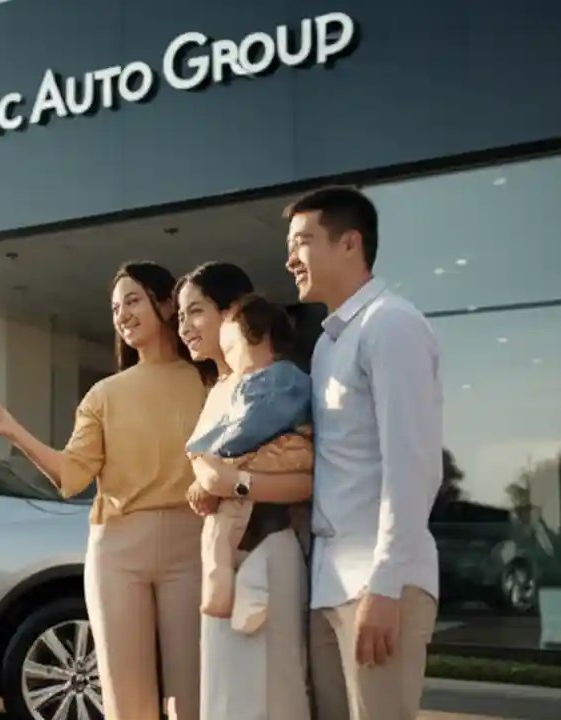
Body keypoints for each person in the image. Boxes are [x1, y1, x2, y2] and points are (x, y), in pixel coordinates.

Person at [0, 261, 207, 720]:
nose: (122, 314)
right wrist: (13, 432)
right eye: (116, 307)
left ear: (167, 303)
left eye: (134, 300)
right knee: (124, 698)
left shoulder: (210, 381)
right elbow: (72, 477)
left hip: (194, 546)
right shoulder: (104, 394)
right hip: (117, 551)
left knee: (193, 695)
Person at [286, 186, 442, 719]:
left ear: (350, 243)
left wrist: (387, 582)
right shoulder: (329, 344)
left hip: (378, 583)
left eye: (303, 242)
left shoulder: (390, 324)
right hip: (330, 585)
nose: (290, 259)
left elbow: (413, 464)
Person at [176, 263, 314, 720]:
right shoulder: (220, 392)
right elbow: (202, 471)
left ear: (233, 314)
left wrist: (227, 480)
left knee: (269, 690)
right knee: (228, 689)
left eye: (195, 311)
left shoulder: (277, 386)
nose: (185, 327)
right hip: (226, 553)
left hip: (265, 548)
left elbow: (304, 477)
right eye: (179, 315)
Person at [185, 291, 313, 622]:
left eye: (231, 349)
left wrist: (206, 454)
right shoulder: (248, 385)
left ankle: (223, 595)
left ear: (259, 339)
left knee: (223, 531)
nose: (229, 360)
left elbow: (247, 429)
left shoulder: (275, 381)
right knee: (225, 528)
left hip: (276, 466)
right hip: (256, 485)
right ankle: (238, 590)